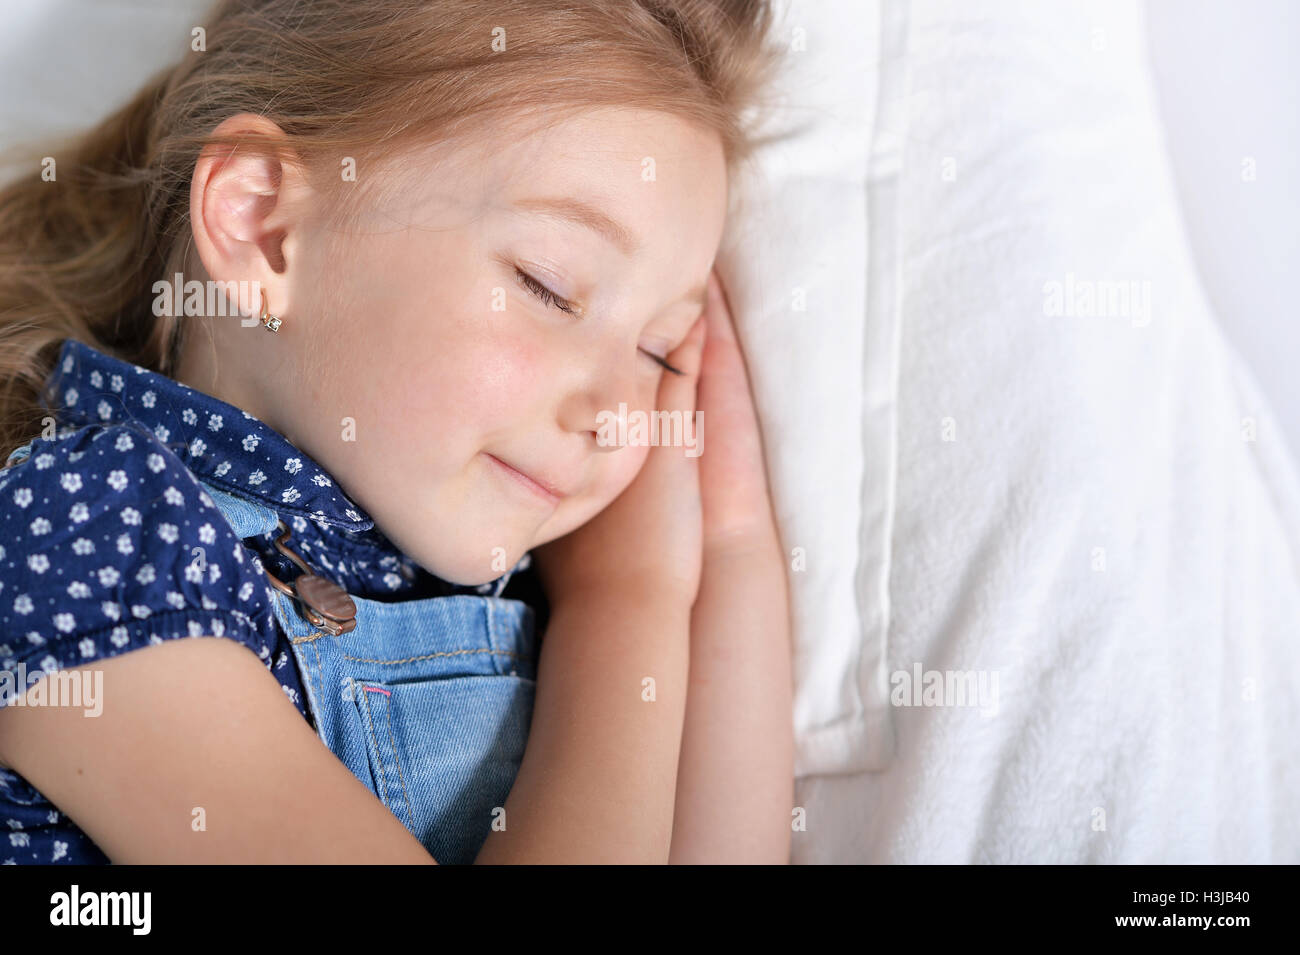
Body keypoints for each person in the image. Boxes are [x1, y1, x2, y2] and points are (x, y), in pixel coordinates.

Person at [0, 0, 792, 863]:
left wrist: (734, 546)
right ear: (263, 226)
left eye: (660, 351)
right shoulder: (88, 534)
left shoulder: (505, 577)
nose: (616, 412)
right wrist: (625, 605)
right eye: (548, 285)